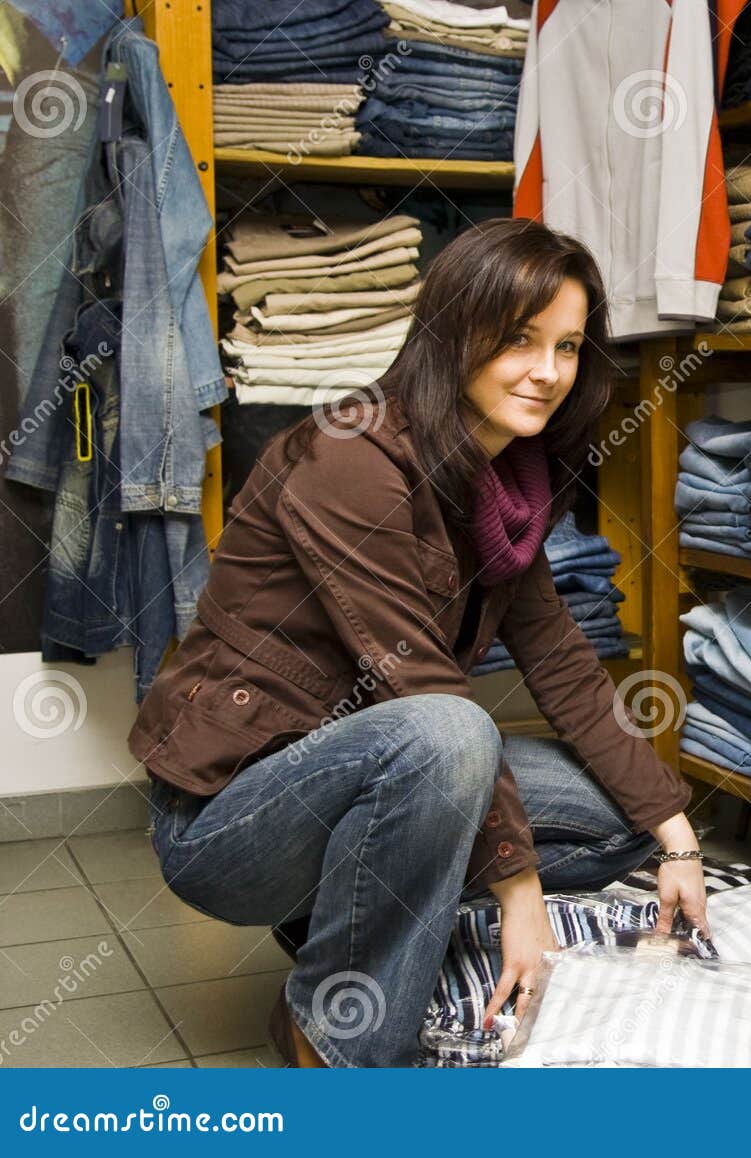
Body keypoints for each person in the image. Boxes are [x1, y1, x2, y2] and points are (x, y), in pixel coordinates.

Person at [127, 218, 708, 1067]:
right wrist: (521, 891)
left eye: (569, 346)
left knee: (618, 817)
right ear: (453, 331)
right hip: (227, 817)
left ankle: (365, 927)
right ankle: (330, 1033)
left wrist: (680, 835)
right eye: (518, 339)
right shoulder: (351, 453)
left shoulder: (506, 482)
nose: (547, 372)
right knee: (450, 732)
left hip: (355, 771)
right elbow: (420, 690)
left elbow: (563, 664)